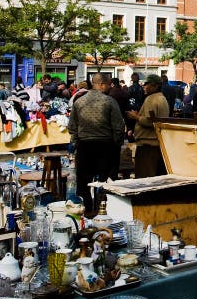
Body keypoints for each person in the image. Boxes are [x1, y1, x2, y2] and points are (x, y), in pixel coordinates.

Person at [67, 73, 126, 209]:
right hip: (105, 146)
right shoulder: (109, 101)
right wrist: (117, 144)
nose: (110, 86)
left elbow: (72, 126)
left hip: (84, 146)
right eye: (108, 84)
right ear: (101, 84)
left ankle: (85, 211)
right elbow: (119, 126)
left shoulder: (79, 101)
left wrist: (76, 142)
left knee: (83, 183)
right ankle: (106, 210)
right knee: (107, 183)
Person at [126, 74, 170, 178]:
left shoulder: (151, 99)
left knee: (144, 178)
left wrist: (135, 117)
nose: (144, 87)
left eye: (147, 84)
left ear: (155, 86)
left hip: (148, 144)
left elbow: (150, 121)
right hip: (155, 143)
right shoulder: (161, 98)